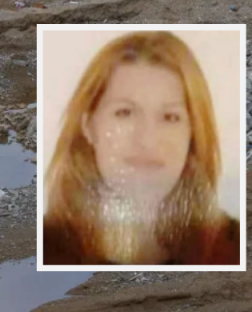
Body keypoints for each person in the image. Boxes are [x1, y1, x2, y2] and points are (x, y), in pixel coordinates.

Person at [43, 31, 239, 265]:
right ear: (89, 126)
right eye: (124, 113)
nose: (147, 140)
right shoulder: (39, 251)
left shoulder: (236, 248)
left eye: (169, 117)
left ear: (193, 133)